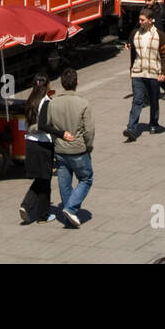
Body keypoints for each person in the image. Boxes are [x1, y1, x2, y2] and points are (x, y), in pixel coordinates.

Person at [46, 67, 94, 228]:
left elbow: (49, 126)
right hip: (78, 149)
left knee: (64, 184)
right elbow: (89, 130)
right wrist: (88, 146)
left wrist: (56, 141)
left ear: (62, 84)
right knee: (86, 179)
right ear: (77, 83)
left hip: (60, 150)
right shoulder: (83, 103)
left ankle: (69, 217)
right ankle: (71, 208)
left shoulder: (53, 104)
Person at [124, 7, 165, 141]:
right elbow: (133, 54)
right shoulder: (135, 34)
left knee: (154, 100)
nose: (140, 22)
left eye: (142, 20)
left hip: (153, 73)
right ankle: (131, 128)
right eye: (139, 19)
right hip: (138, 72)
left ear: (150, 20)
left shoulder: (159, 35)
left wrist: (164, 72)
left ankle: (153, 123)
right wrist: (132, 69)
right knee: (137, 100)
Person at [18, 74, 55, 224]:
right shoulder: (45, 101)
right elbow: (44, 124)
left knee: (41, 178)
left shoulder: (30, 100)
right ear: (46, 85)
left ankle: (30, 207)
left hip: (31, 142)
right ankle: (41, 214)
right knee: (45, 179)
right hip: (43, 143)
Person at [142, 0, 165, 97]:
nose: (147, 3)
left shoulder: (162, 12)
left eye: (149, 0)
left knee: (156, 71)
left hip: (159, 45)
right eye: (146, 0)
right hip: (147, 45)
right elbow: (137, 27)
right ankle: (148, 97)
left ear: (155, 0)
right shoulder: (143, 12)